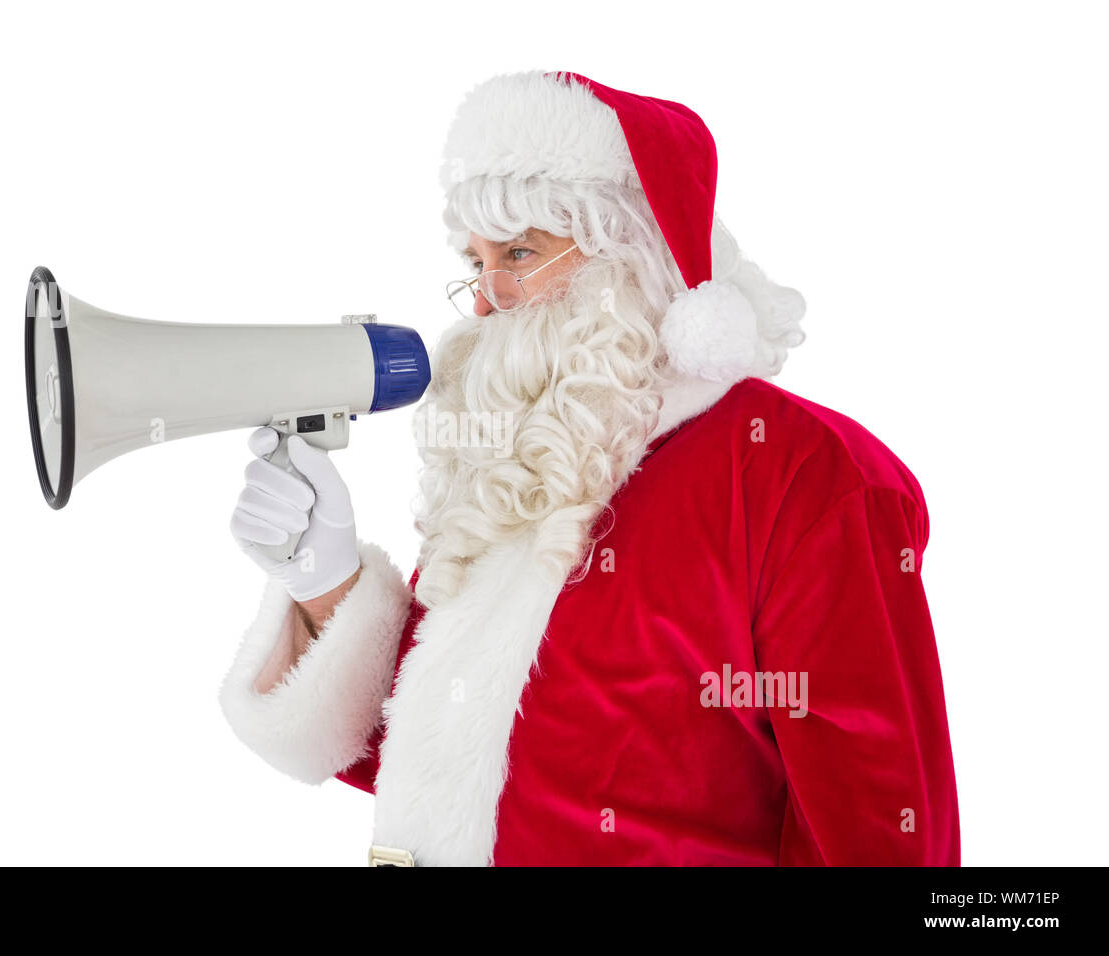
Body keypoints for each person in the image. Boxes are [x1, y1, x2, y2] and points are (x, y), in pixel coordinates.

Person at [218, 70, 961, 867]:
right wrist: (325, 587)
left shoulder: (800, 475)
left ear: (631, 253)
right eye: (476, 261)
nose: (483, 300)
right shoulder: (521, 464)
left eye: (521, 253)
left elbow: (881, 828)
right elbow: (441, 761)